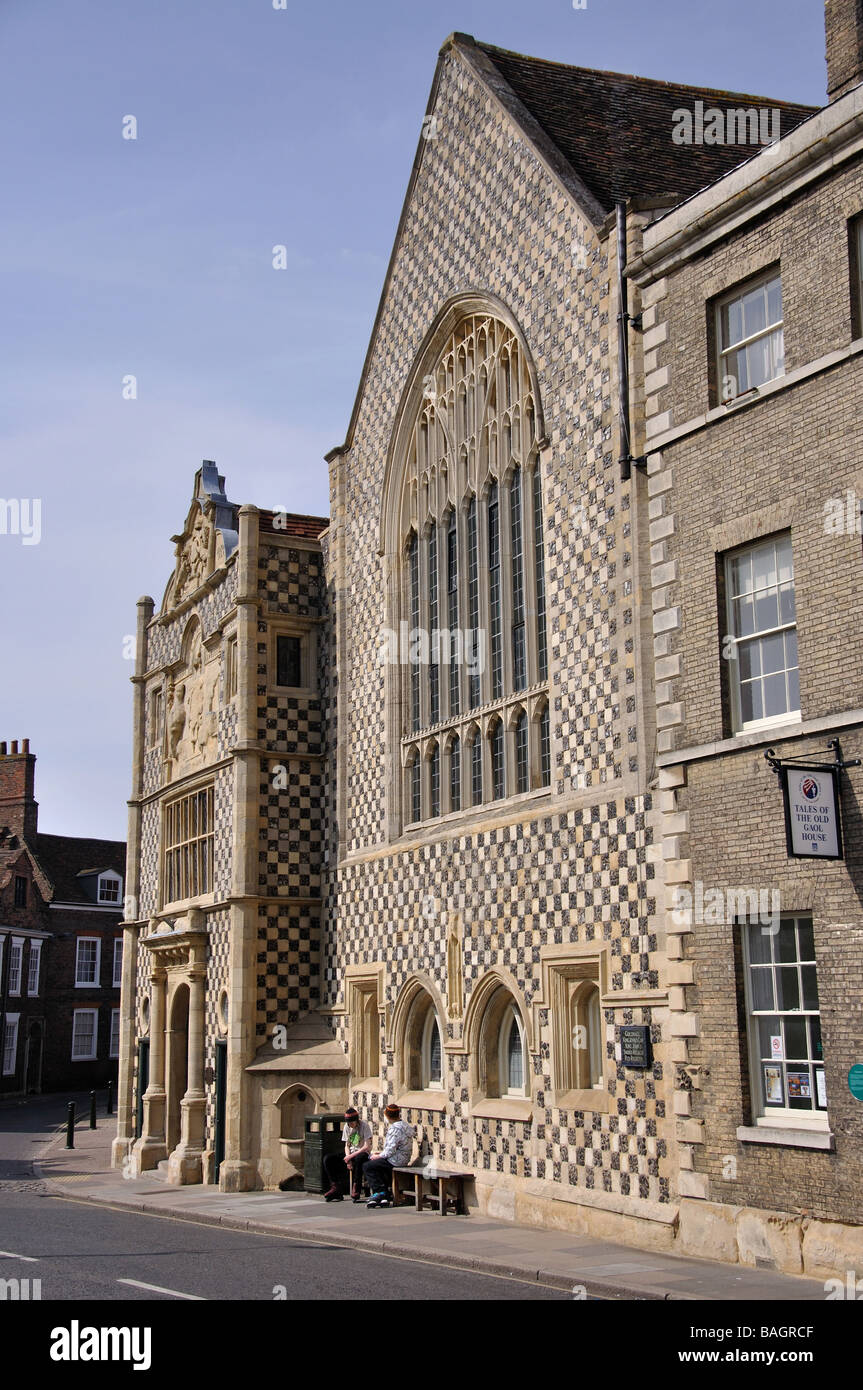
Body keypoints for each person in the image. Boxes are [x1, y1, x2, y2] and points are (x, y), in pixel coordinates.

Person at [364, 1103, 415, 1208]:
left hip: (396, 1160)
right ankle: (384, 1193)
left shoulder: (395, 1129)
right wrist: (380, 1154)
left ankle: (380, 1192)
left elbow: (390, 1150)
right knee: (379, 1166)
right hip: (403, 1158)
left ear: (387, 1116)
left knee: (368, 1166)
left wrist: (378, 1156)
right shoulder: (405, 1125)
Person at [322, 1108, 372, 1203]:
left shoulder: (364, 1126)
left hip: (362, 1152)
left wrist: (351, 1156)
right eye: (349, 1123)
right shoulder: (347, 1127)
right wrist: (348, 1157)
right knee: (328, 1159)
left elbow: (367, 1146)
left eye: (352, 1123)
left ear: (357, 1120)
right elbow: (347, 1145)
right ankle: (335, 1186)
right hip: (351, 1153)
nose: (351, 1125)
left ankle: (356, 1186)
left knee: (359, 1158)